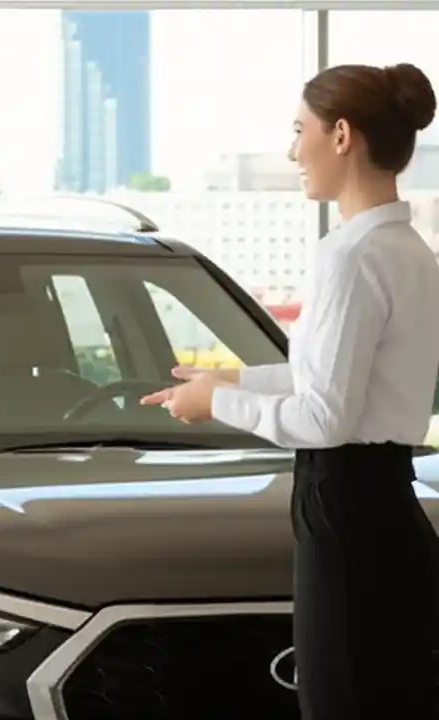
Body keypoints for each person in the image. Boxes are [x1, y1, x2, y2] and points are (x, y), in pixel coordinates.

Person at [142, 63, 439, 720]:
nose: (290, 149)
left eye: (297, 129)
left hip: (343, 515)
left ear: (340, 136)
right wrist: (234, 379)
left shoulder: (350, 257)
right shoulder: (411, 253)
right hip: (389, 508)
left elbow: (323, 417)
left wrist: (215, 404)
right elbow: (345, 381)